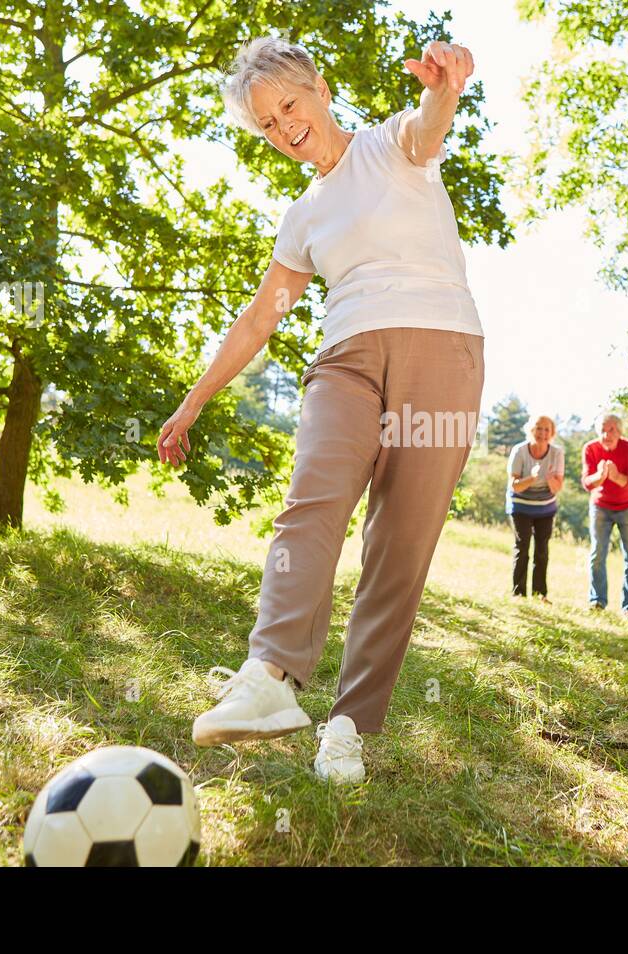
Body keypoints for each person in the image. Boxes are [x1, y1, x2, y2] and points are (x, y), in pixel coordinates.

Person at [156, 36, 483, 783]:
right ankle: (268, 677)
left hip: (443, 352)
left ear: (321, 89)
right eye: (266, 124)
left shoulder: (391, 146)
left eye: (289, 107)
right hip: (347, 359)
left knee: (397, 551)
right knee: (312, 500)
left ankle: (347, 727)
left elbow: (430, 125)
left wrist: (447, 84)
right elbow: (260, 318)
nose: (283, 128)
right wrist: (192, 402)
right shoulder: (301, 217)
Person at [582, 413, 628, 620]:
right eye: (603, 430)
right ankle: (597, 601)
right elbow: (587, 483)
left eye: (612, 430)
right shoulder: (591, 448)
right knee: (597, 554)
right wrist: (600, 477)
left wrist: (615, 476)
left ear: (620, 432)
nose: (607, 435)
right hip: (601, 507)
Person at [506, 415, 564, 602]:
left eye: (547, 429)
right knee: (522, 545)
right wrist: (531, 478)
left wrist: (548, 478)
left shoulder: (557, 453)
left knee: (542, 549)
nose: (543, 433)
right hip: (521, 505)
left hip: (545, 507)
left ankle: (540, 594)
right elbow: (514, 485)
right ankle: (518, 593)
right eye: (539, 428)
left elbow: (557, 488)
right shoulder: (519, 451)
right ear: (531, 430)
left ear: (552, 433)